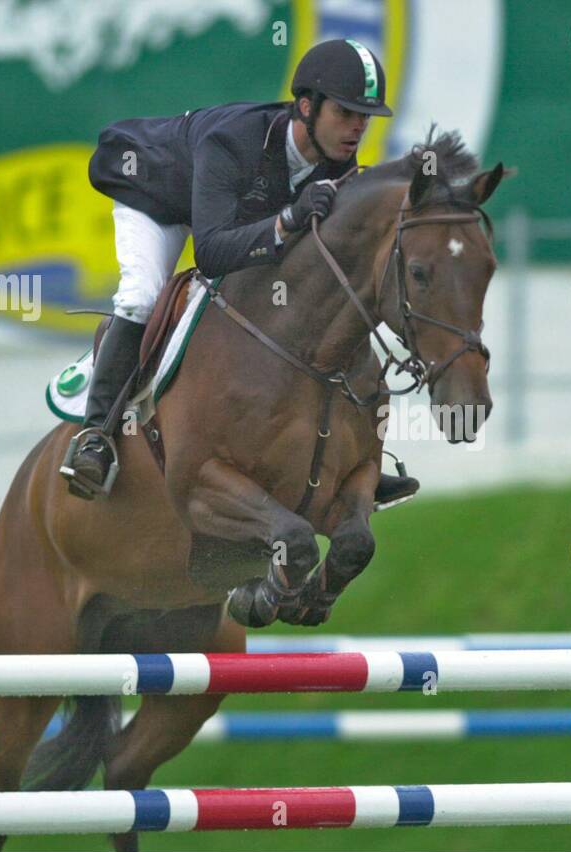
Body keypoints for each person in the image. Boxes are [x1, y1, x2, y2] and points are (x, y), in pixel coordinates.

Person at [63, 38, 418, 508]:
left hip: (226, 213)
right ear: (307, 107)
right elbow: (210, 251)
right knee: (141, 295)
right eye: (346, 113)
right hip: (157, 194)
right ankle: (96, 436)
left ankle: (357, 457)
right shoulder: (233, 140)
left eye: (365, 117)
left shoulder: (339, 165)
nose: (358, 127)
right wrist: (288, 220)